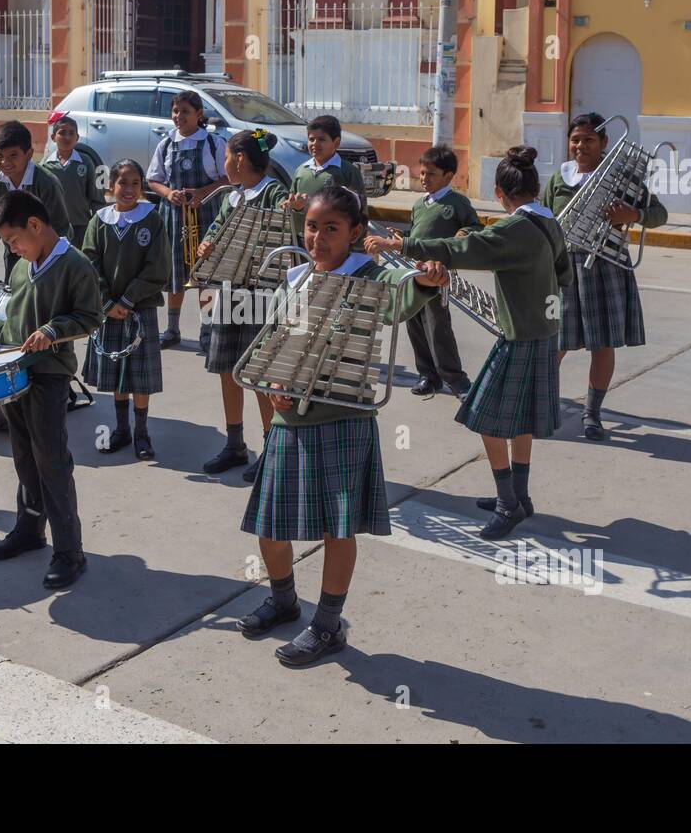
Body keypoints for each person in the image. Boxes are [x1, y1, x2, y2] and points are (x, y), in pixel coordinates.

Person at [238, 186, 446, 666]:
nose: (318, 237)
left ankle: (328, 625)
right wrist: (271, 380)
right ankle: (285, 600)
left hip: (342, 419)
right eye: (312, 226)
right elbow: (278, 340)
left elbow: (398, 300)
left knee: (338, 528)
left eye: (331, 228)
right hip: (290, 419)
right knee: (270, 525)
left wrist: (427, 281)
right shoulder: (296, 277)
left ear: (355, 233)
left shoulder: (370, 276)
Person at [385, 147, 572, 542]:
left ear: (500, 194)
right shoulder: (549, 223)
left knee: (485, 418)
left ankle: (508, 503)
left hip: (518, 338)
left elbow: (459, 251)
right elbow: (564, 273)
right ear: (535, 188)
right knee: (522, 420)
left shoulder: (511, 230)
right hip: (543, 333)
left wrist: (402, 246)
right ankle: (519, 495)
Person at [0, 191, 103, 588]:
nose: (12, 249)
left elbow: (90, 317)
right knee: (24, 456)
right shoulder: (22, 267)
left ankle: (69, 551)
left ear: (35, 225)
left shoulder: (74, 264)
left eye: (13, 241)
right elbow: (14, 320)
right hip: (15, 374)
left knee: (52, 461)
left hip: (49, 375)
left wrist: (52, 331)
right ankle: (29, 530)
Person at [539, 113, 667, 440]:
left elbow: (659, 214)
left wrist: (634, 214)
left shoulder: (620, 178)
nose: (580, 145)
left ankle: (592, 414)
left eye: (588, 140)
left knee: (603, 342)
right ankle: (541, 407)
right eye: (575, 139)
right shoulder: (559, 179)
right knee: (554, 341)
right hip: (563, 267)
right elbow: (540, 217)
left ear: (604, 144)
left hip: (605, 265)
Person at [193, 128, 286, 482]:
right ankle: (235, 444)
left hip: (260, 296)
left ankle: (269, 449)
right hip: (228, 290)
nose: (225, 164)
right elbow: (216, 230)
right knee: (228, 368)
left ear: (241, 159)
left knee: (258, 374)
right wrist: (207, 245)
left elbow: (290, 222)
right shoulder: (233, 196)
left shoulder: (272, 192)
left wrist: (293, 209)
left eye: (228, 157)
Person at [80, 159, 170, 461]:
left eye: (135, 183)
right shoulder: (99, 221)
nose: (129, 189)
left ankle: (142, 432)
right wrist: (106, 302)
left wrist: (128, 300)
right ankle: (121, 429)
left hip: (138, 310)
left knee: (139, 376)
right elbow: (89, 264)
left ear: (142, 186)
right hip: (108, 312)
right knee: (117, 373)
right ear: (111, 186)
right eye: (123, 183)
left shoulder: (152, 220)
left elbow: (157, 267)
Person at [145, 90, 228, 349]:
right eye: (175, 111)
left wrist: (201, 193)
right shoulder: (166, 143)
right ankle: (172, 329)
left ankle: (206, 330)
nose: (179, 116)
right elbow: (153, 179)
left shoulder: (214, 143)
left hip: (206, 213)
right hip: (174, 215)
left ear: (199, 114)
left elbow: (229, 179)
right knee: (174, 273)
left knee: (205, 273)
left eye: (185, 112)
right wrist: (169, 193)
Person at [399, 144, 481, 397]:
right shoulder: (419, 204)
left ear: (448, 176)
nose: (424, 178)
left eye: (430, 174)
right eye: (422, 173)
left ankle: (457, 380)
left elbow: (475, 227)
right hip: (414, 274)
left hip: (438, 276)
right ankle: (427, 375)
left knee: (438, 328)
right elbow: (414, 234)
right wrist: (400, 237)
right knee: (415, 325)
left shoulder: (457, 203)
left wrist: (463, 232)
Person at [0, 121, 71, 283]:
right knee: (15, 300)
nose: (5, 162)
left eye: (13, 155)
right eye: (0, 155)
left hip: (45, 257)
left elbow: (61, 229)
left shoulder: (47, 183)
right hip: (14, 254)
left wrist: (53, 265)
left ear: (29, 154)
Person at [283, 115, 368, 250]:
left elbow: (360, 212)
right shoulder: (301, 171)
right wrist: (293, 206)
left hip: (334, 244)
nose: (315, 144)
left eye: (322, 139)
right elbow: (292, 204)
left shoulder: (348, 172)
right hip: (302, 241)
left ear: (336, 143)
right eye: (311, 139)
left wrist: (357, 249)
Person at [44, 115, 106, 250]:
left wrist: (98, 224)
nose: (67, 137)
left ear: (77, 138)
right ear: (53, 137)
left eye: (71, 133)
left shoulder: (86, 162)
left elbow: (96, 197)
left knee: (80, 263)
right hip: (54, 227)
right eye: (62, 133)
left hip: (81, 226)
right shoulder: (45, 166)